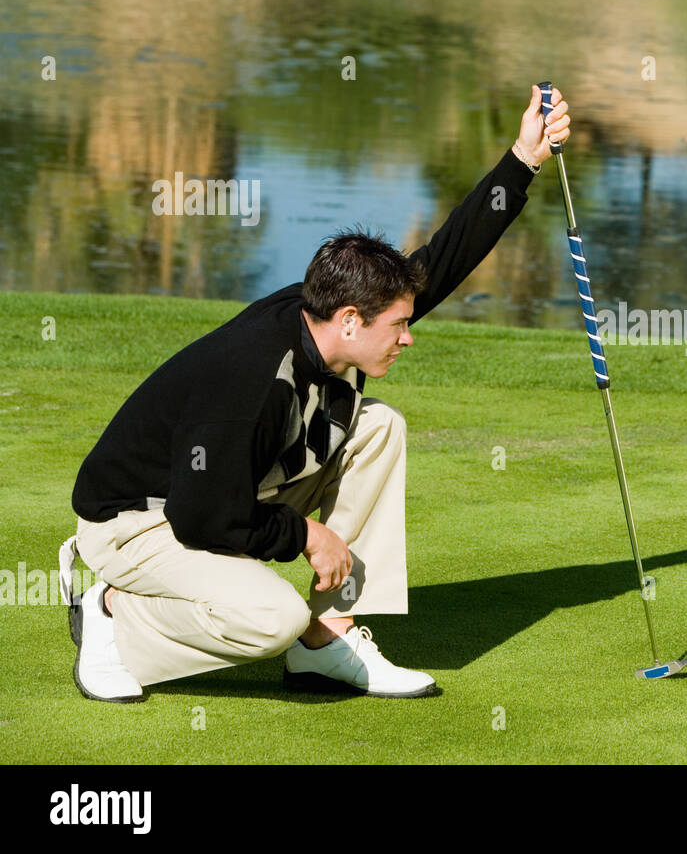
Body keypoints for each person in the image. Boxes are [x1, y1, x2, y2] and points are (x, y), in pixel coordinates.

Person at [61, 84, 571, 702]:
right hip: (139, 522)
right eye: (399, 327)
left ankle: (326, 640)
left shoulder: (333, 321)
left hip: (214, 493)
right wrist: (306, 536)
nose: (408, 339)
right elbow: (202, 516)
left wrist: (523, 158)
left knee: (380, 428)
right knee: (271, 618)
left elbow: (445, 257)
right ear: (352, 319)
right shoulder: (249, 378)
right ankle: (112, 617)